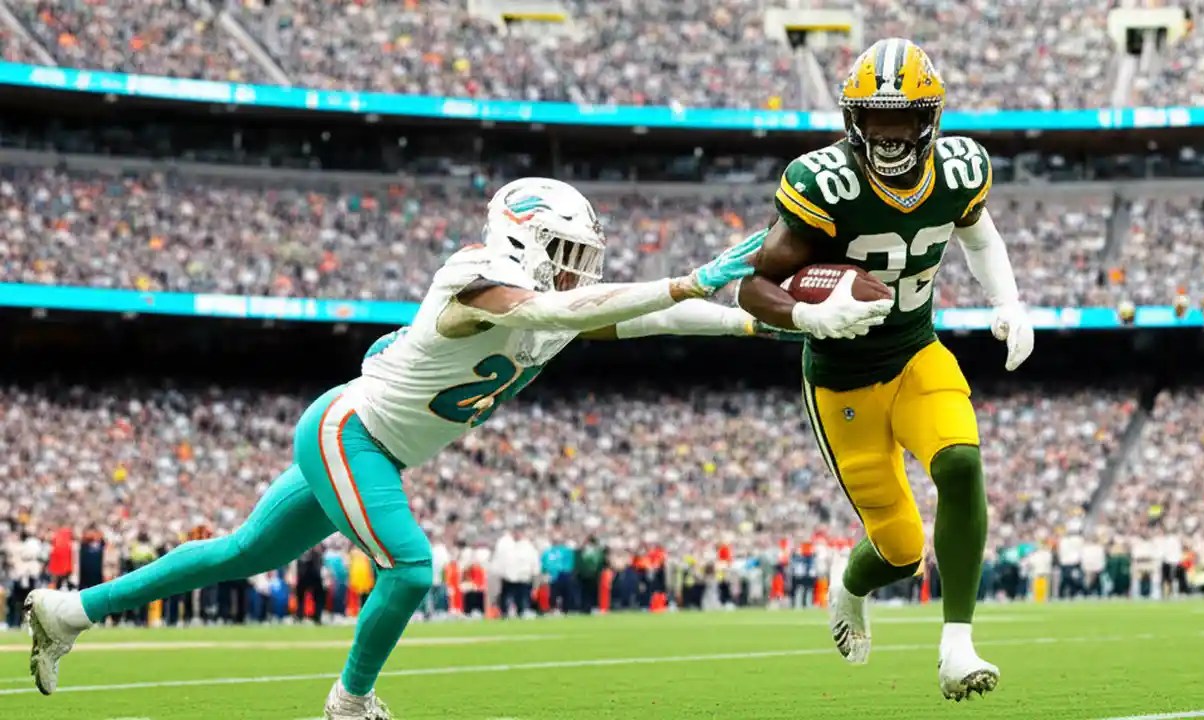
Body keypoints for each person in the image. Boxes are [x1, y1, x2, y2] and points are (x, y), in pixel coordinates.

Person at [25, 177, 766, 719]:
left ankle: (68, 611)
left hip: (374, 445)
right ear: (523, 239)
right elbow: (556, 306)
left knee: (241, 552)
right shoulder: (479, 275)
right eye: (567, 251)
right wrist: (682, 281)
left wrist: (750, 322)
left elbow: (639, 319)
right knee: (409, 568)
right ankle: (349, 703)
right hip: (350, 432)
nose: (579, 267)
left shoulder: (557, 307)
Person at [736, 38, 1035, 701]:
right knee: (900, 550)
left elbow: (978, 235)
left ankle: (957, 645)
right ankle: (849, 587)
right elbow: (753, 287)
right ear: (854, 118)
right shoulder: (825, 183)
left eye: (901, 118)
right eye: (874, 116)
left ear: (930, 120)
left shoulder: (960, 170)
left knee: (960, 462)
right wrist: (808, 315)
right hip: (841, 380)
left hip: (914, 351)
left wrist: (1008, 303)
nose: (887, 132)